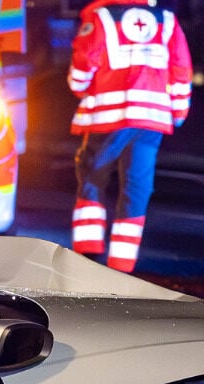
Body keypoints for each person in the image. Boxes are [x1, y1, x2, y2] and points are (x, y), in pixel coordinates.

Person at [67, 0, 193, 272]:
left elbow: (84, 63)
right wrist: (179, 110)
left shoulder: (101, 17)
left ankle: (88, 253)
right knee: (137, 185)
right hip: (152, 118)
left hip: (108, 117)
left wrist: (79, 85)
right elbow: (181, 68)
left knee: (93, 176)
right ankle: (123, 263)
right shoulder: (168, 20)